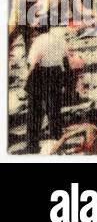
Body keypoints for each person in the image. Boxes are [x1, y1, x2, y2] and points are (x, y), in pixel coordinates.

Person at [25, 23, 70, 151]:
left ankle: (32, 144)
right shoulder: (58, 39)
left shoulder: (37, 42)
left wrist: (28, 79)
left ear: (37, 30)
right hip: (56, 73)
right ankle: (57, 140)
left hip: (41, 73)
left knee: (35, 111)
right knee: (54, 109)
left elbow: (33, 63)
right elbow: (66, 58)